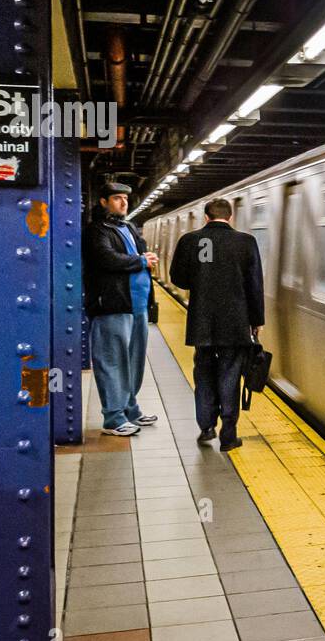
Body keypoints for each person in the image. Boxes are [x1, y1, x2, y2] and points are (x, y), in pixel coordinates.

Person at [169, 197, 264, 451]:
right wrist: (256, 321)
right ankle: (228, 435)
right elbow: (254, 285)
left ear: (206, 217)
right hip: (235, 323)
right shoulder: (246, 242)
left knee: (204, 372)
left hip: (201, 322)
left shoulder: (191, 241)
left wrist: (201, 282)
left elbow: (177, 277)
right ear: (230, 217)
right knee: (230, 374)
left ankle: (206, 427)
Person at [83, 181, 159, 436]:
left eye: (125, 199)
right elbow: (105, 258)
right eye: (116, 198)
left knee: (134, 360)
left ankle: (130, 408)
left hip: (136, 305)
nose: (123, 203)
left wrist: (145, 260)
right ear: (103, 202)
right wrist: (140, 261)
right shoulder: (97, 230)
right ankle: (113, 418)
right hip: (112, 304)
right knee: (112, 360)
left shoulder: (128, 227)